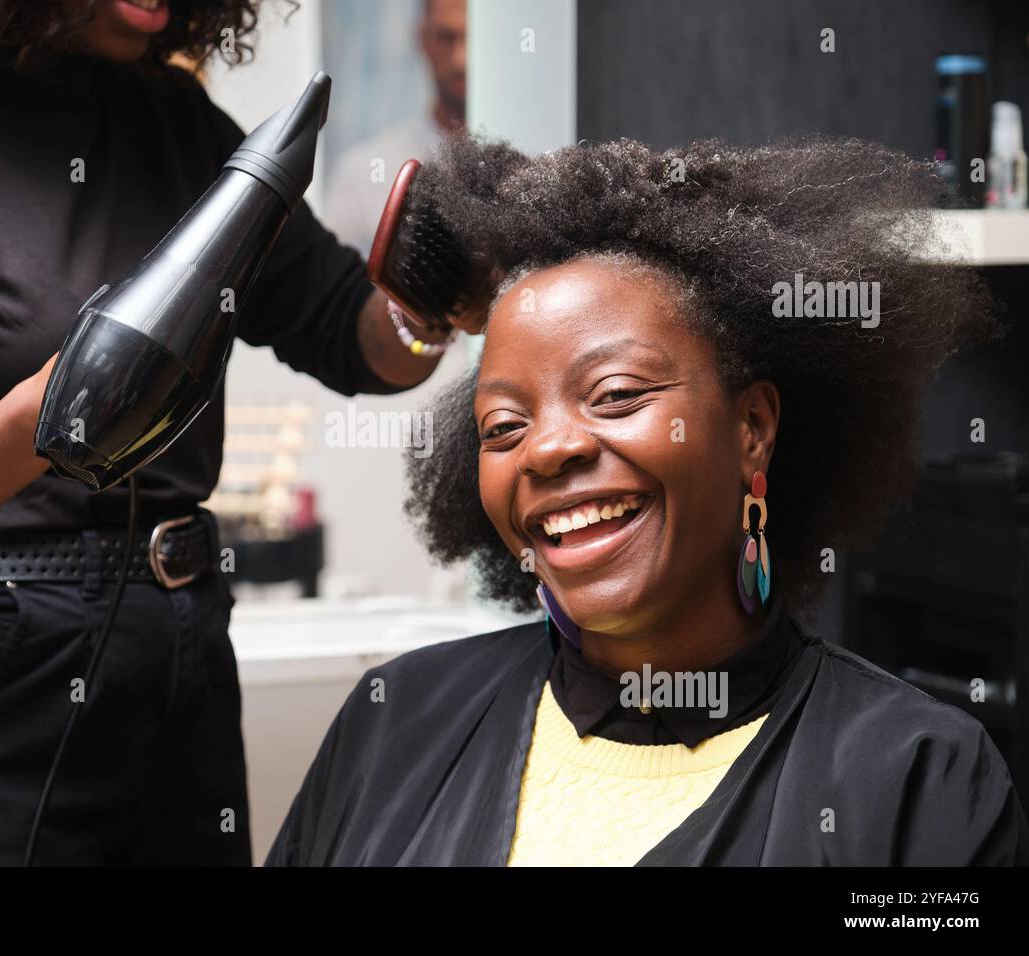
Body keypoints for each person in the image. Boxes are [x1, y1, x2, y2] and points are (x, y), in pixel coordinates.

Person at [0, 0, 469, 865]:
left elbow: (358, 339)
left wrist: (437, 287)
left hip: (182, 666)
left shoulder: (178, 125)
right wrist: (43, 417)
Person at [265, 135, 1029, 865]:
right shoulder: (395, 720)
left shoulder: (917, 781)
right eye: (504, 425)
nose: (547, 448)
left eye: (617, 393)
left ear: (752, 429)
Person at [322, 0, 466, 254]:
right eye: (446, 37)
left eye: (473, 38)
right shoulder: (360, 173)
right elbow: (338, 289)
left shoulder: (531, 163)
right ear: (423, 39)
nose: (461, 59)